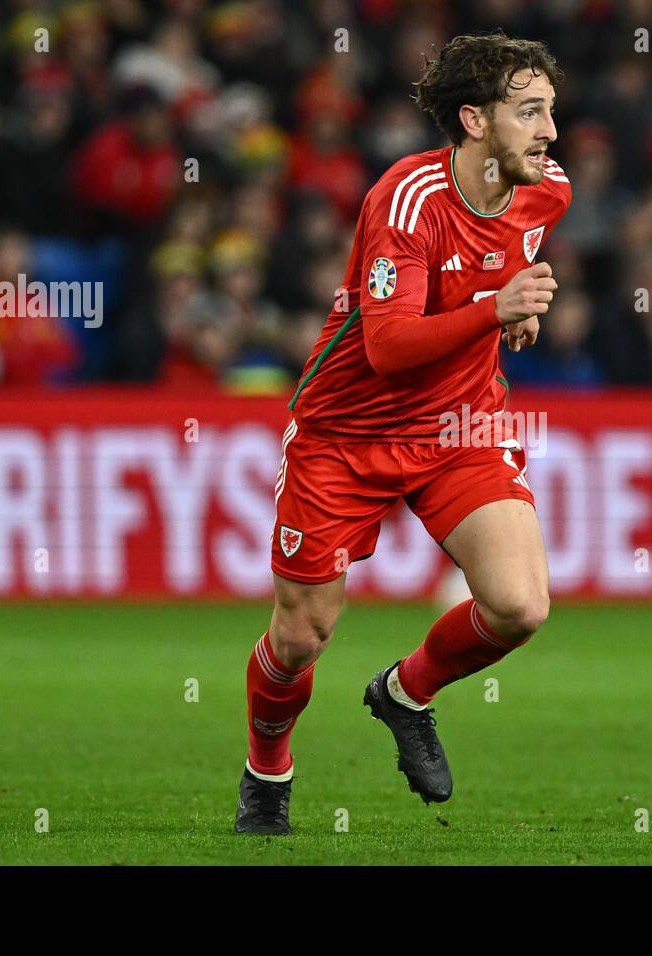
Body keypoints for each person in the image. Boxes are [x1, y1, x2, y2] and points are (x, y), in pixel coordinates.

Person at [235, 31, 571, 834]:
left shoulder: (546, 191)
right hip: (345, 433)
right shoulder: (407, 198)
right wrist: (496, 309)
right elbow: (386, 347)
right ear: (474, 120)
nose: (550, 132)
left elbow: (495, 282)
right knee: (301, 635)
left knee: (520, 606)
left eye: (551, 111)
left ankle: (404, 692)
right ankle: (267, 770)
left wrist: (509, 320)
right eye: (529, 112)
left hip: (459, 427)